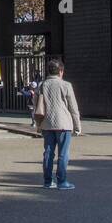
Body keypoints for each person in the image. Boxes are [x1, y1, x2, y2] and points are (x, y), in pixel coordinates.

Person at [33, 57, 82, 189]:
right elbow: (73, 107)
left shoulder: (42, 85)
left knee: (48, 153)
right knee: (63, 154)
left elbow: (36, 106)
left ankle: (48, 181)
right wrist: (77, 126)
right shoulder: (66, 85)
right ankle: (62, 181)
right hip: (63, 123)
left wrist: (38, 124)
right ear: (60, 71)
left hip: (46, 123)